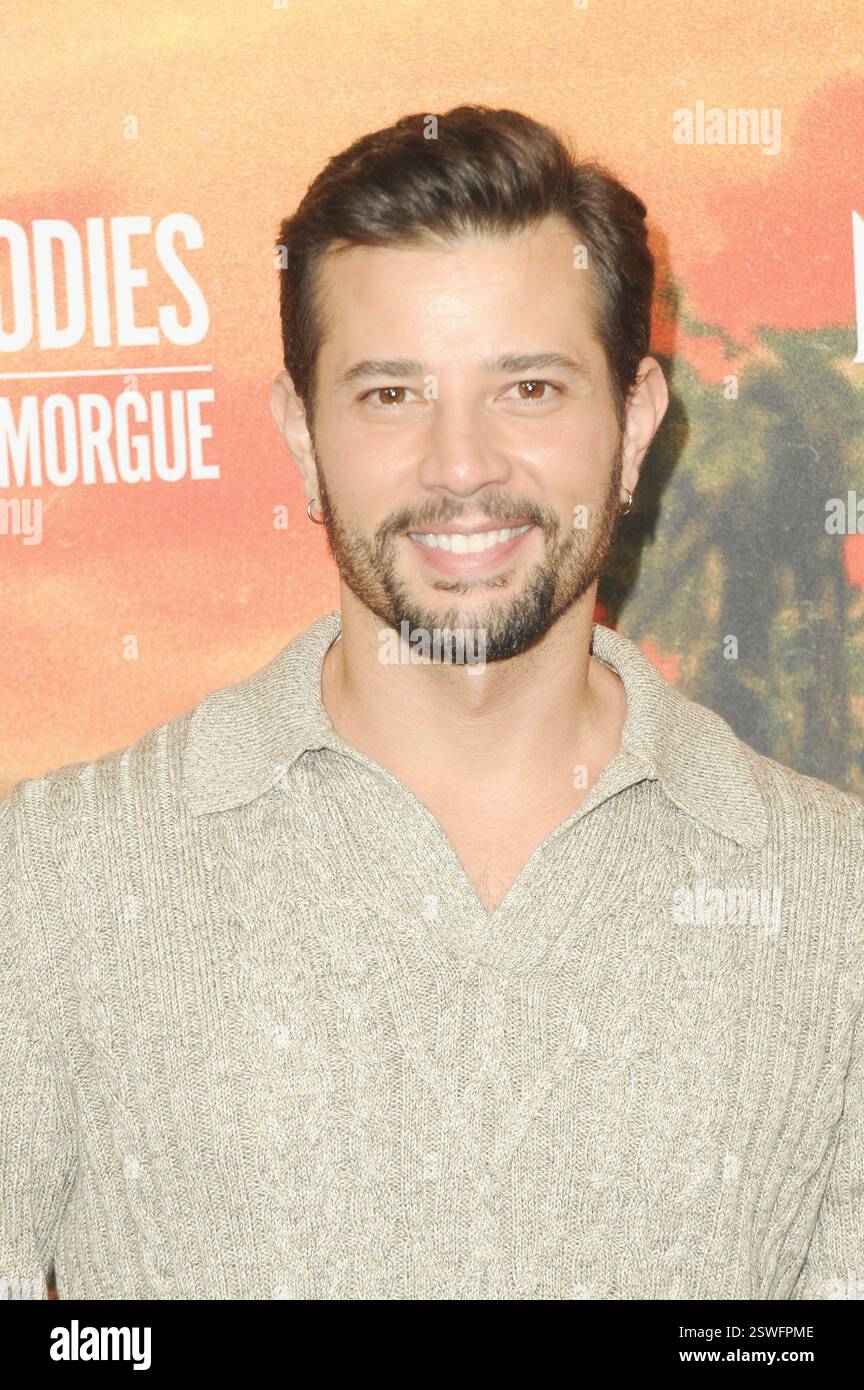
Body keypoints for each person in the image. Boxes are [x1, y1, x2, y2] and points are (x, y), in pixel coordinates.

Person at [2, 106, 862, 1302]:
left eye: (530, 389)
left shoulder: (835, 903)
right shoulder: (52, 880)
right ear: (302, 437)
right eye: (392, 395)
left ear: (637, 426)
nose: (461, 465)